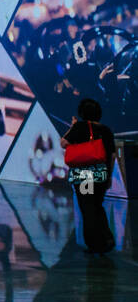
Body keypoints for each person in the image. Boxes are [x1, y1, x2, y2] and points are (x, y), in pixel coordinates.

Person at [61, 98, 116, 254]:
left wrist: (71, 127)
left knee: (87, 208)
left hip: (85, 175)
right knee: (97, 206)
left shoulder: (79, 127)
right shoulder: (106, 130)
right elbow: (111, 156)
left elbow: (63, 143)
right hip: (101, 173)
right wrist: (109, 176)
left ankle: (95, 244)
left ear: (82, 113)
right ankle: (107, 237)